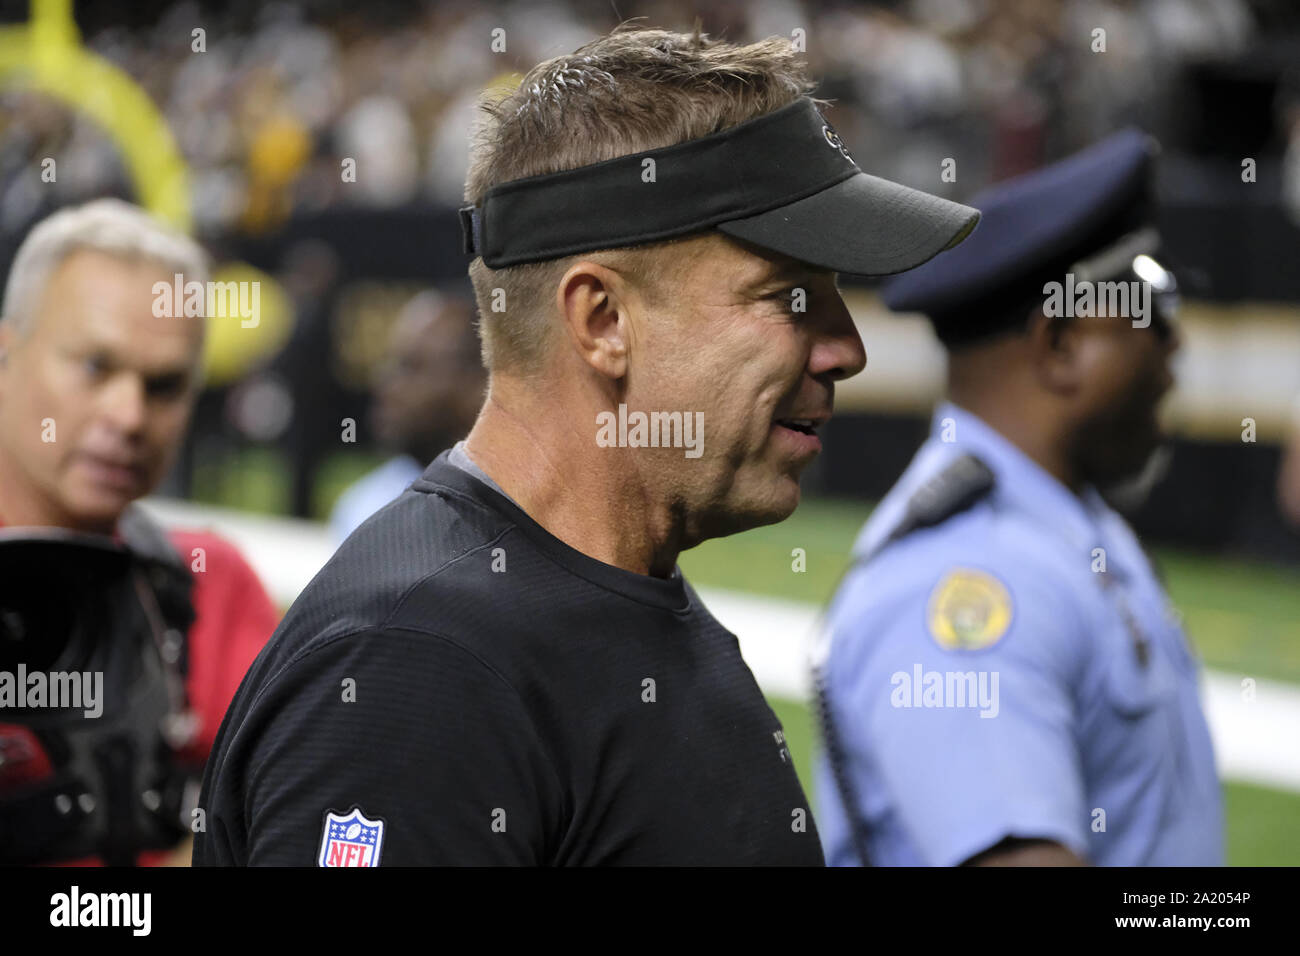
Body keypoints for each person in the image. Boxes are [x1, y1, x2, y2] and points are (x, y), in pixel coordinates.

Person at [194, 26, 977, 867]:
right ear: (603, 322)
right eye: (788, 296)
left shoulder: (609, 600)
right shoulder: (418, 671)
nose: (845, 348)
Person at [814, 130, 1224, 866]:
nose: (1174, 347)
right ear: (1061, 342)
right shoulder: (967, 579)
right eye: (1151, 308)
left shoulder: (1068, 525)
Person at [0, 199, 279, 865]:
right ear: (6, 353)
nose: (129, 415)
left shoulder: (212, 585)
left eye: (164, 386)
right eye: (95, 366)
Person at [329, 286, 485, 542]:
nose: (385, 385)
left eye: (412, 367)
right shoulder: (365, 508)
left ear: (478, 383)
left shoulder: (540, 507)